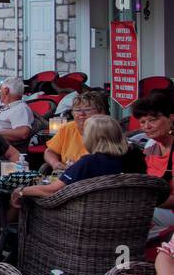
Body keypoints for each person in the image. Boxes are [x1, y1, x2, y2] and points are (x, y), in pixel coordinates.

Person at [13, 116, 147, 212]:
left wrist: (21, 191)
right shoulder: (136, 157)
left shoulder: (89, 162)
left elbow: (53, 191)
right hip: (128, 218)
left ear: (92, 138)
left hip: (84, 220)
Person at [133, 91, 174, 236]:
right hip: (159, 208)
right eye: (143, 122)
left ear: (171, 118)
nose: (147, 126)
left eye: (153, 120)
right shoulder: (151, 146)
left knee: (132, 210)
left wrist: (146, 199)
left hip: (166, 210)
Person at [42, 90, 107, 169]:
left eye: (88, 110)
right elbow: (50, 151)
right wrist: (56, 163)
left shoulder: (107, 129)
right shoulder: (67, 128)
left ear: (100, 112)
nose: (81, 114)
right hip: (67, 174)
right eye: (77, 110)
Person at [0, 76, 35, 147]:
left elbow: (23, 133)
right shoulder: (8, 107)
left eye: (0, 90)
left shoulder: (20, 108)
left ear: (6, 90)